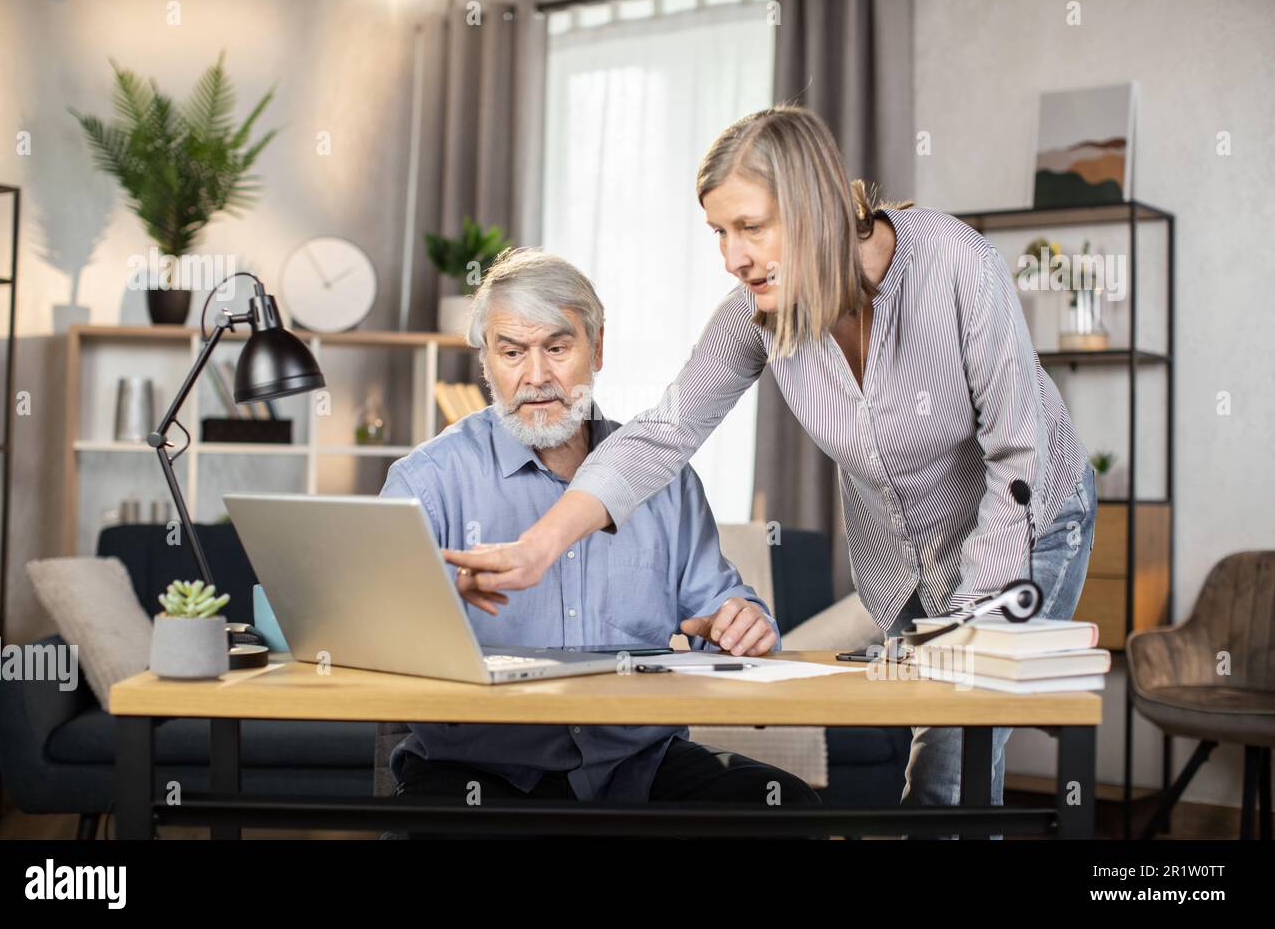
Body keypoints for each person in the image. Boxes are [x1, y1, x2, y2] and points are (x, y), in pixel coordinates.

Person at [444, 105, 1098, 811]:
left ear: (813, 208)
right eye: (719, 233)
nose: (732, 256)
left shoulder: (956, 264)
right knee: (942, 742)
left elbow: (1019, 455)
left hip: (1029, 520)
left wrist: (972, 630)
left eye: (750, 227)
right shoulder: (756, 312)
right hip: (908, 552)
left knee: (950, 752)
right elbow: (664, 433)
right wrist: (540, 546)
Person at [379, 246, 819, 810]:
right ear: (484, 361)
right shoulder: (429, 480)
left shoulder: (665, 477)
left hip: (637, 764)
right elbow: (378, 643)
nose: (536, 377)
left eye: (557, 348)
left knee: (783, 806)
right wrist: (436, 605)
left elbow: (724, 610)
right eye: (511, 352)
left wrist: (741, 623)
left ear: (598, 348)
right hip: (480, 770)